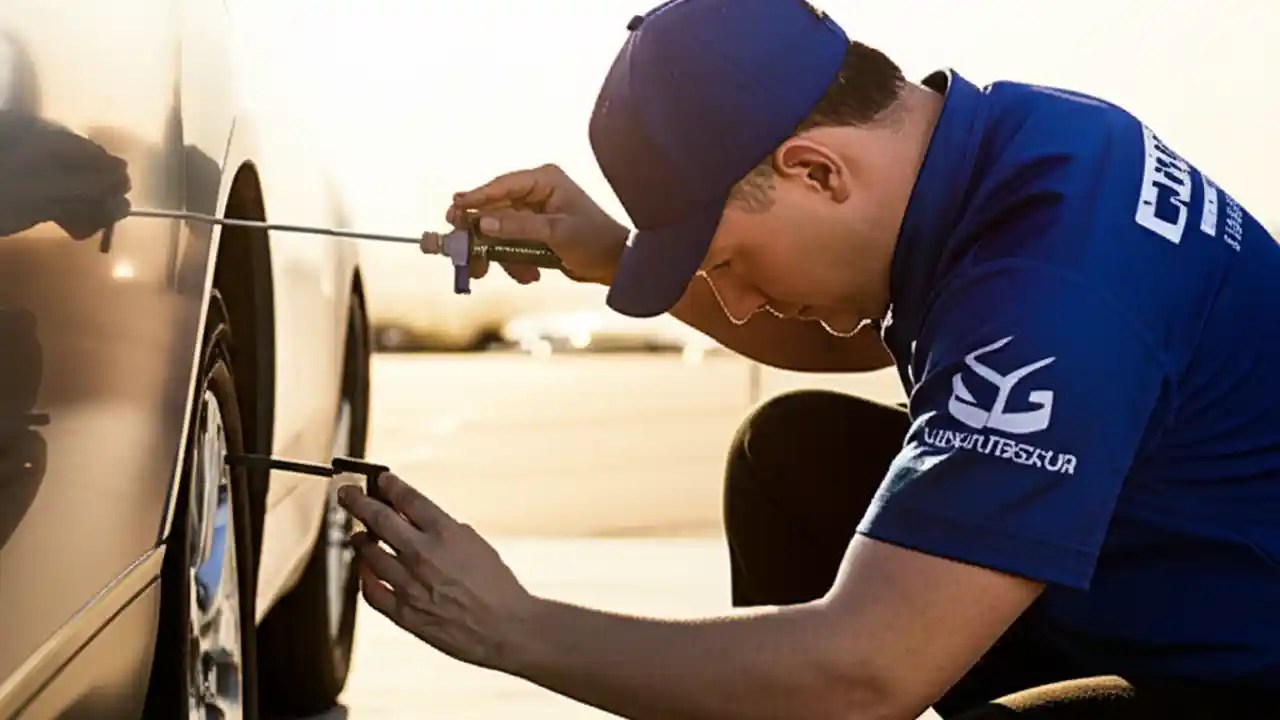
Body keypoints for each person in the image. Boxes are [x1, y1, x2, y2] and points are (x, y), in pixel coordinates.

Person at [335, 0, 1280, 717]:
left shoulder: (1053, 297)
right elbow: (854, 331)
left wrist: (517, 628)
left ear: (817, 169)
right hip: (1143, 587)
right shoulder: (1019, 146)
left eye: (731, 264)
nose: (735, 302)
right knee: (792, 456)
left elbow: (871, 669)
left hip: (1235, 669)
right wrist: (620, 257)